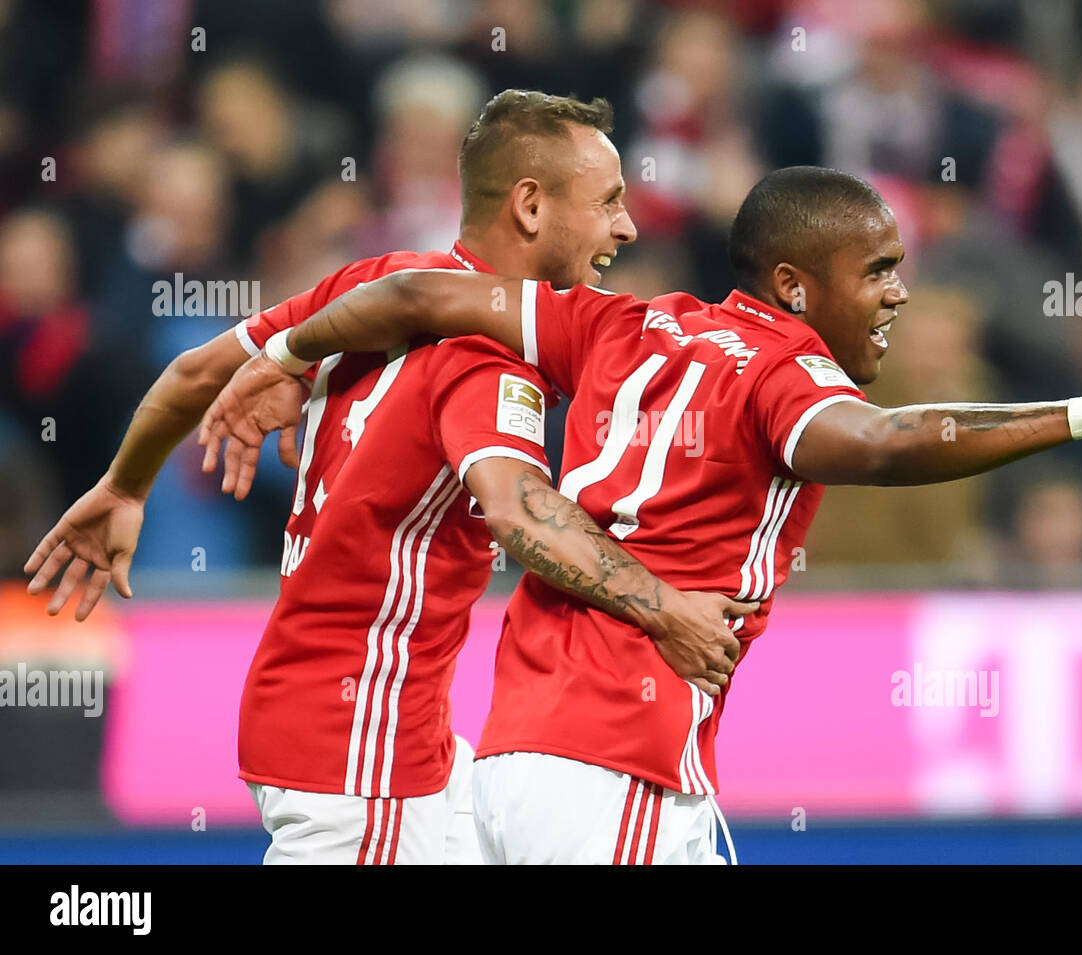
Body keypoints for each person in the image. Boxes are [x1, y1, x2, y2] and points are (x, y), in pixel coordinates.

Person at [198, 165, 1082, 864]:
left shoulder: (625, 322)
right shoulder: (782, 379)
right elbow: (891, 442)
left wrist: (289, 358)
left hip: (528, 758)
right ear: (793, 283)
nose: (897, 294)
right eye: (875, 270)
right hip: (615, 764)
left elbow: (423, 295)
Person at [24, 90, 751, 864]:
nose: (626, 227)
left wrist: (124, 486)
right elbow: (520, 511)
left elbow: (198, 371)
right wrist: (666, 607)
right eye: (608, 201)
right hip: (362, 757)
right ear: (531, 207)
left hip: (400, 745)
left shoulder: (374, 282)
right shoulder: (485, 358)